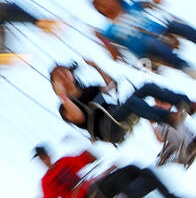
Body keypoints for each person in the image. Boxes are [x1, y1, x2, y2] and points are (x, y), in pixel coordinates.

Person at [49, 60, 194, 145]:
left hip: (117, 113)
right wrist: (62, 95)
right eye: (59, 76)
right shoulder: (65, 107)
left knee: (146, 88)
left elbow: (112, 86)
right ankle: (169, 118)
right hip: (107, 128)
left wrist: (97, 67)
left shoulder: (90, 89)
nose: (64, 75)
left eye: (64, 71)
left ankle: (186, 104)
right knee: (132, 103)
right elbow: (79, 117)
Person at [33, 144, 188, 198]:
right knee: (119, 181)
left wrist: (89, 151)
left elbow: (89, 158)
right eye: (41, 158)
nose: (45, 159)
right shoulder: (46, 181)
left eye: (45, 155)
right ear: (40, 161)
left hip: (95, 189)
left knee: (134, 169)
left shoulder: (64, 161)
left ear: (49, 154)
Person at [91, 0, 196, 75]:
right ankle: (187, 68)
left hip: (161, 33)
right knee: (152, 42)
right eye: (98, 4)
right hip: (148, 52)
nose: (102, 3)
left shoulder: (132, 6)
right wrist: (102, 39)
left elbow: (157, 0)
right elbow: (115, 57)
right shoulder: (108, 31)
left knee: (176, 25)